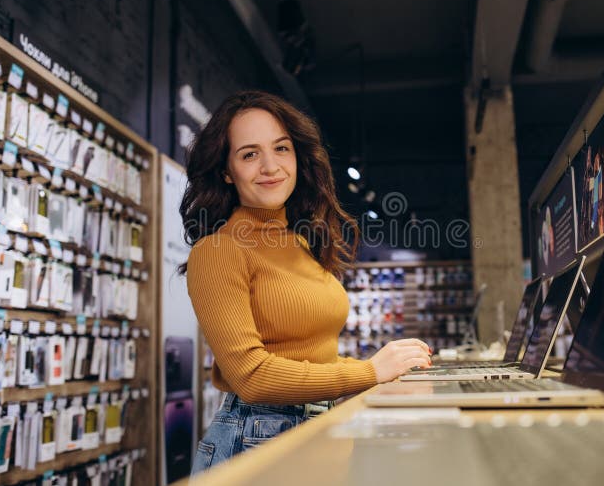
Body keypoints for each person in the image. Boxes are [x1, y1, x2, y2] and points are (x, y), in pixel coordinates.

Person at [179, 91, 432, 473]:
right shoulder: (218, 250)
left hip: (318, 431)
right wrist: (369, 371)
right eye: (250, 154)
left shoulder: (299, 241)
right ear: (226, 171)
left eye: (281, 148)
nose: (270, 166)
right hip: (258, 438)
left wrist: (380, 371)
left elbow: (314, 356)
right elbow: (251, 377)